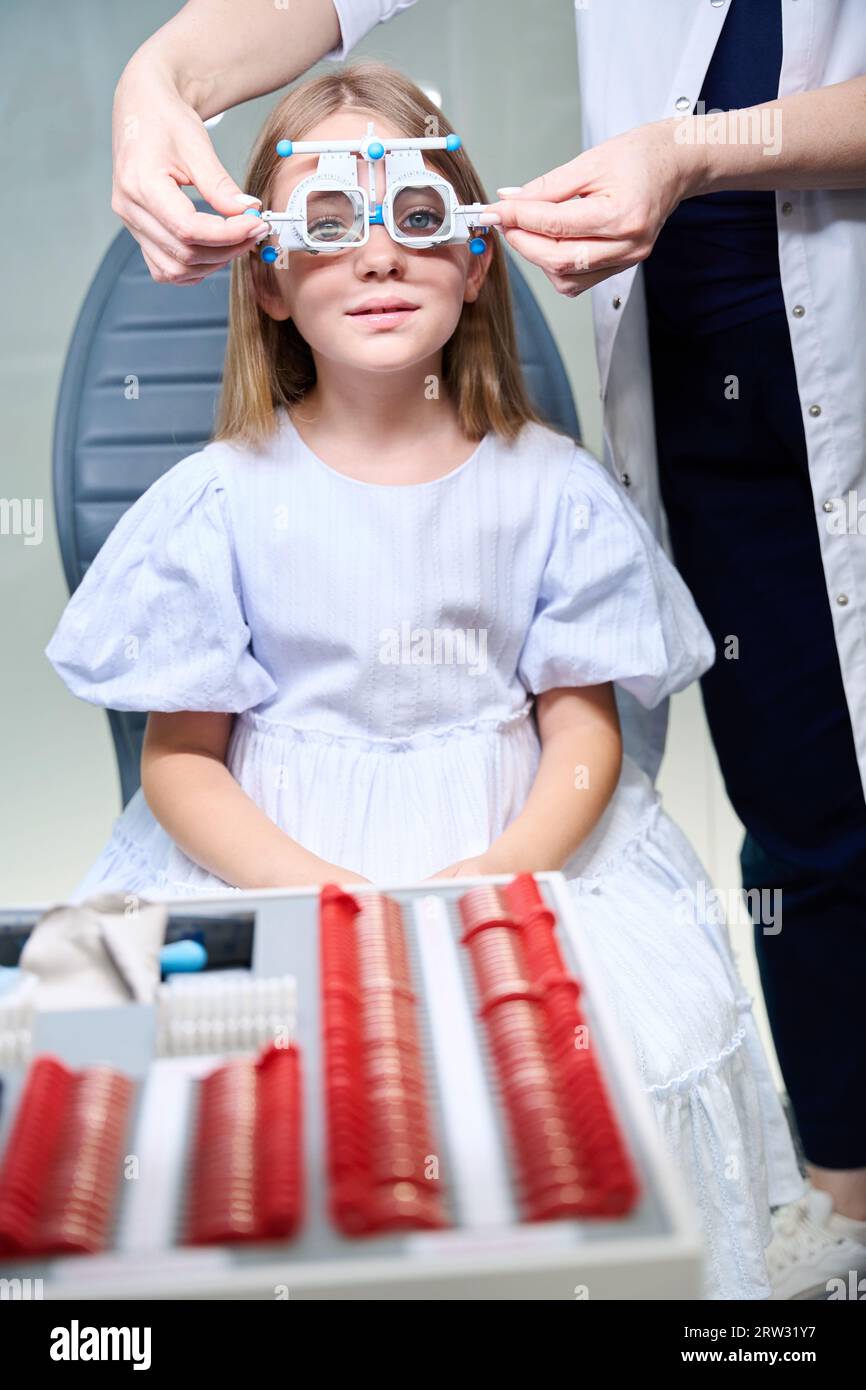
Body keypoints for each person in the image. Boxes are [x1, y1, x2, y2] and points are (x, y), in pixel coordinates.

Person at [107, 0, 866, 1292]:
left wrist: (496, 881)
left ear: (475, 260)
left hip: (516, 877)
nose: (377, 258)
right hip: (291, 878)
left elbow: (579, 726)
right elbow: (179, 759)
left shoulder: (551, 494)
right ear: (268, 274)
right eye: (330, 224)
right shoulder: (210, 508)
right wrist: (158, 70)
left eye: (413, 218)